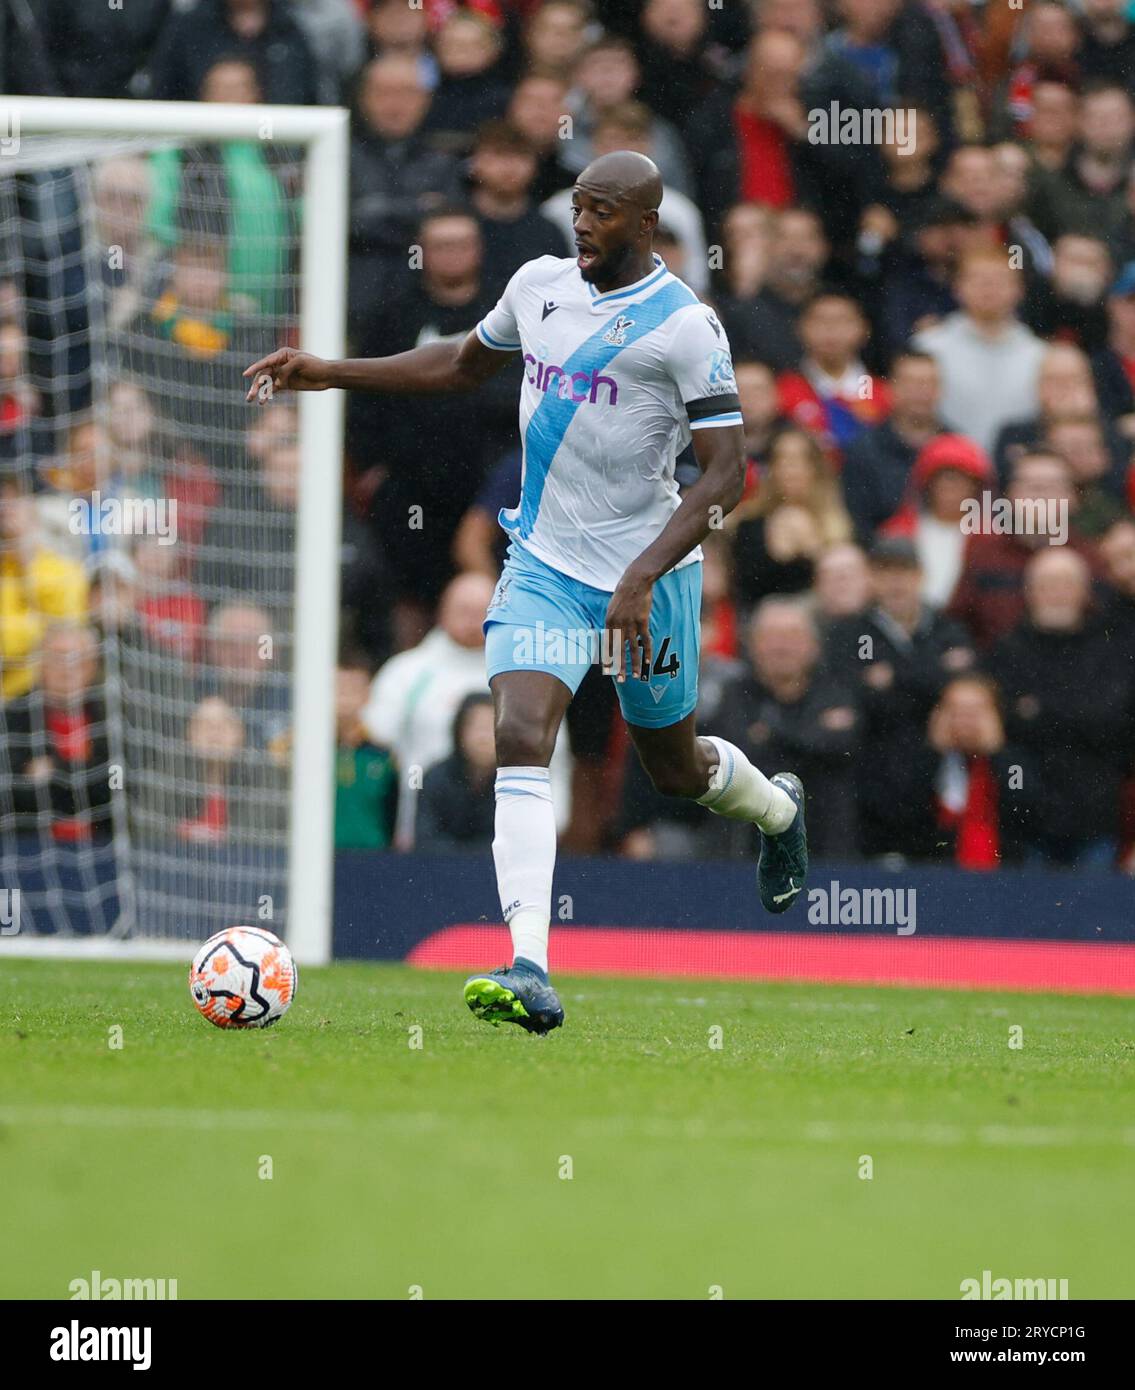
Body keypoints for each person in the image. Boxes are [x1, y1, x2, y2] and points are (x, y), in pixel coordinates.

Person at [245, 150, 810, 1036]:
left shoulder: (685, 326)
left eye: (603, 211)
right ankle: (530, 967)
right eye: (578, 206)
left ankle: (777, 809)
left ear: (646, 223)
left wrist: (642, 574)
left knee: (672, 768)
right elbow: (463, 365)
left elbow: (727, 476)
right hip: (544, 564)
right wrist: (331, 372)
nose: (582, 223)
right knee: (518, 733)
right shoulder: (539, 284)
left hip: (647, 575)